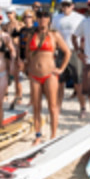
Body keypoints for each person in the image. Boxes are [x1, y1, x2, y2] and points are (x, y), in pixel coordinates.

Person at [26, 8, 70, 140]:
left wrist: (61, 69)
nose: (42, 19)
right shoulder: (31, 35)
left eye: (45, 16)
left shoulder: (54, 35)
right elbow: (27, 54)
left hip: (49, 74)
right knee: (36, 107)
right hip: (34, 75)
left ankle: (53, 135)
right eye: (40, 16)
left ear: (49, 19)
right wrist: (28, 67)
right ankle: (38, 135)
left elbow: (67, 52)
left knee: (52, 106)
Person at [54, 0, 86, 117]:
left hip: (74, 51)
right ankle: (58, 107)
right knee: (60, 82)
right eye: (63, 5)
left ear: (73, 5)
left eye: (68, 5)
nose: (65, 7)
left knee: (78, 81)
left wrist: (82, 49)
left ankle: (83, 107)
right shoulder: (56, 18)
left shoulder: (80, 18)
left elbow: (85, 35)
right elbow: (53, 34)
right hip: (61, 51)